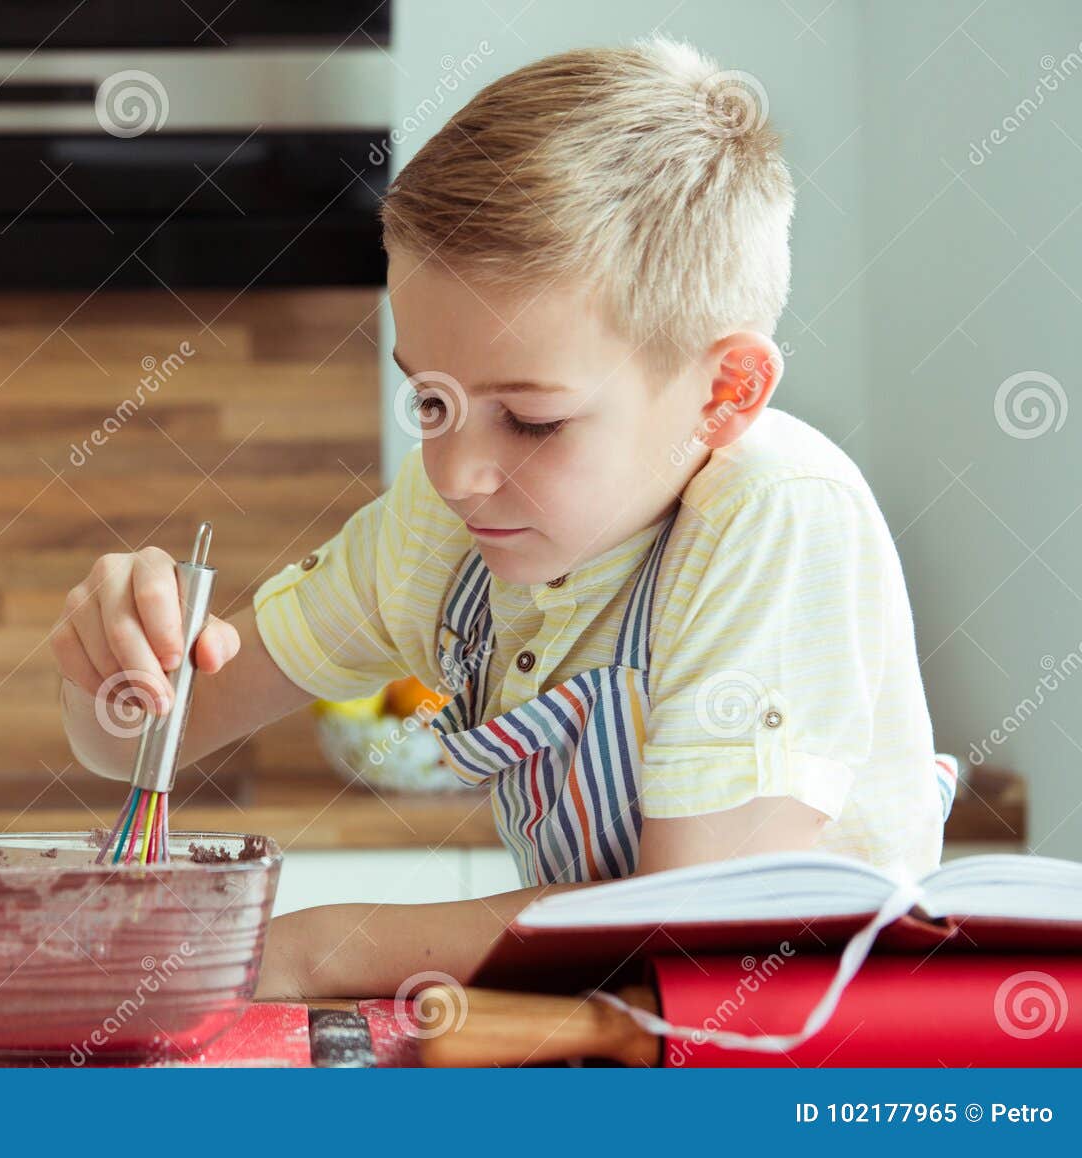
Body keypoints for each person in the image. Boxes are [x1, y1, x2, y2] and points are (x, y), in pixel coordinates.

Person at [51, 37, 953, 1000]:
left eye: (532, 420)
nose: (456, 474)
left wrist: (317, 948)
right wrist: (122, 670)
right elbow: (125, 746)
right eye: (430, 403)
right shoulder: (441, 536)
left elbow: (702, 927)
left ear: (725, 393)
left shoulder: (776, 512)